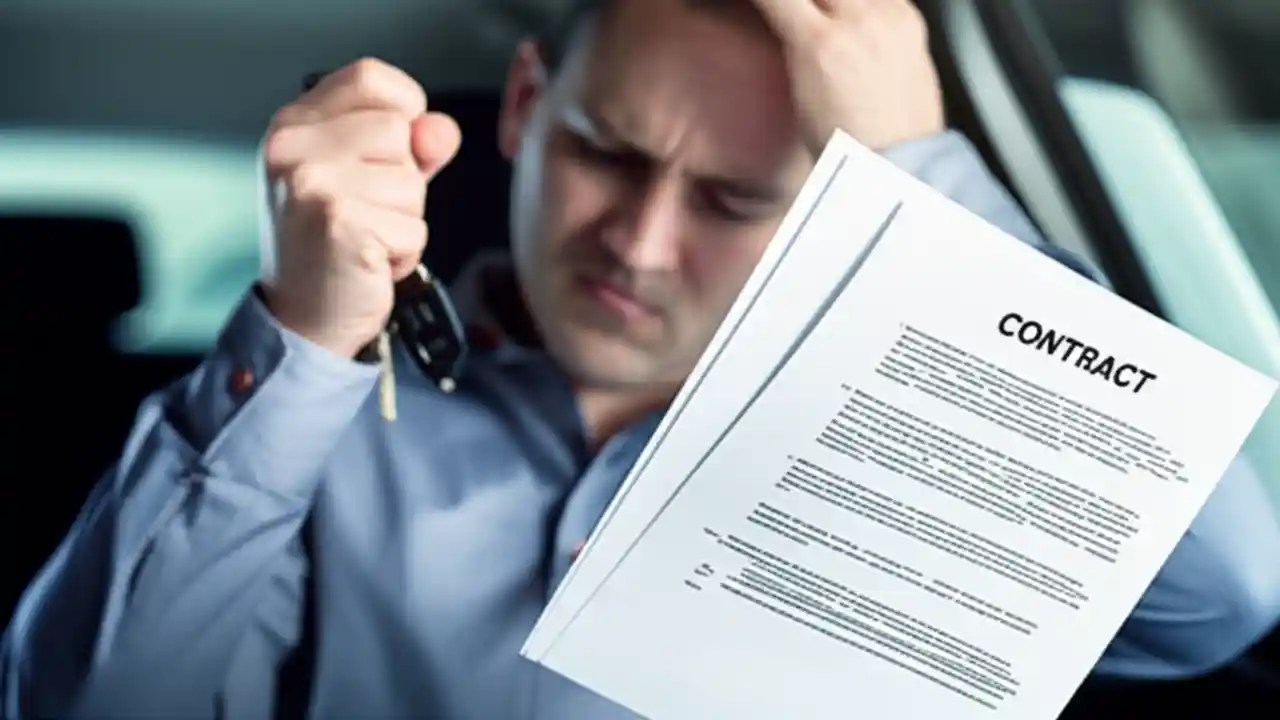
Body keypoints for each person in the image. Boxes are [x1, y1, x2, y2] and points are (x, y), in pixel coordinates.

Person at [5, 0, 1280, 717]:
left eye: (732, 199)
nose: (639, 241)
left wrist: (917, 184)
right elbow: (84, 706)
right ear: (519, 108)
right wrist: (300, 333)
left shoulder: (915, 470)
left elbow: (1219, 594)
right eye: (605, 152)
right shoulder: (317, 443)